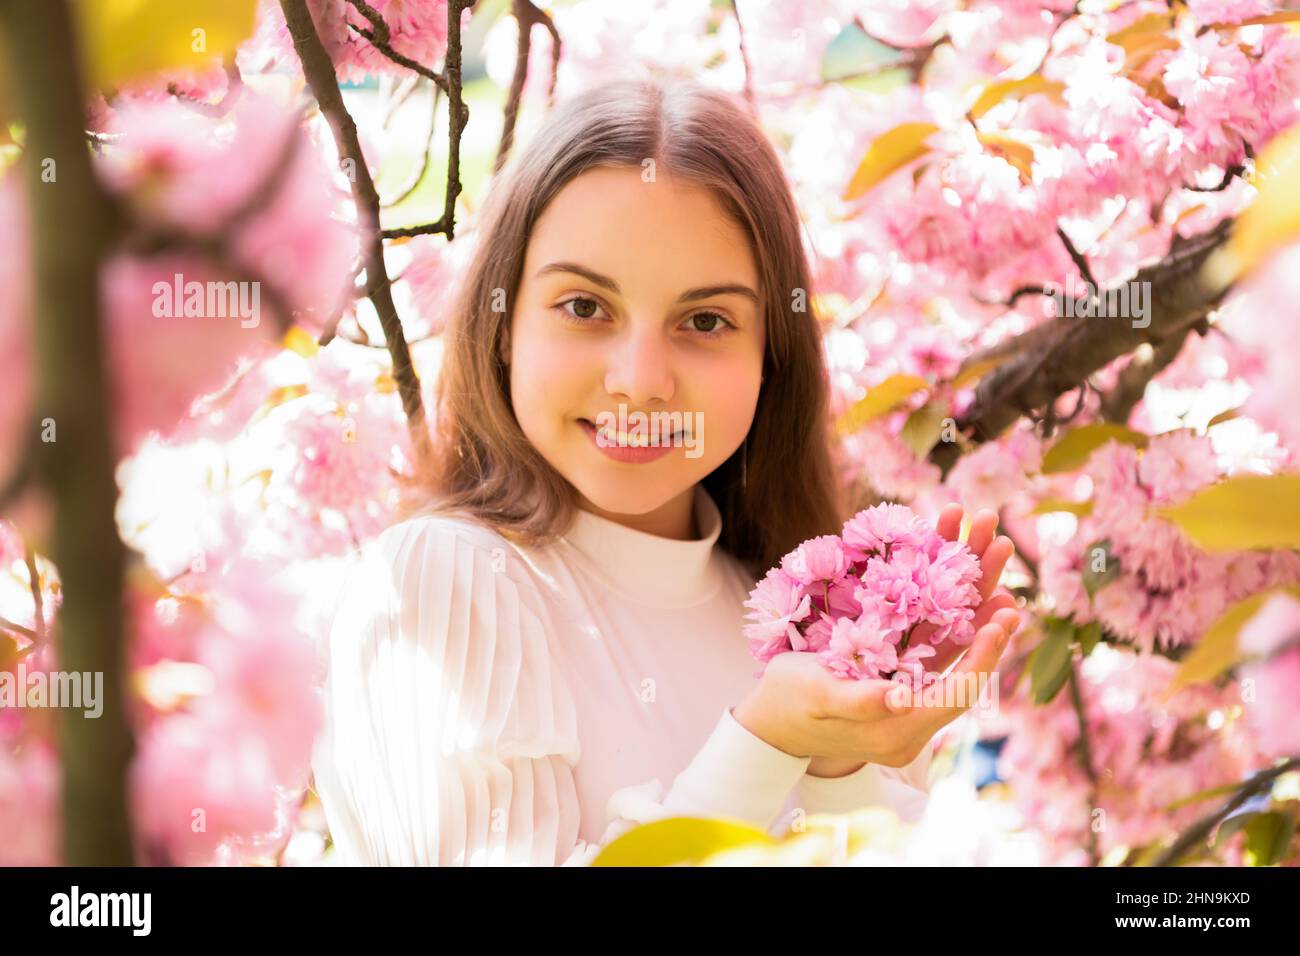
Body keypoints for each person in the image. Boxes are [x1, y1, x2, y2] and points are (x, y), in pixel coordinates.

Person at [310, 77, 1020, 866]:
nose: (640, 378)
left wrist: (838, 759)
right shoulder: (442, 587)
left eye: (705, 320)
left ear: (768, 361)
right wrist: (764, 743)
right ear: (503, 325)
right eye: (584, 306)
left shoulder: (799, 627)